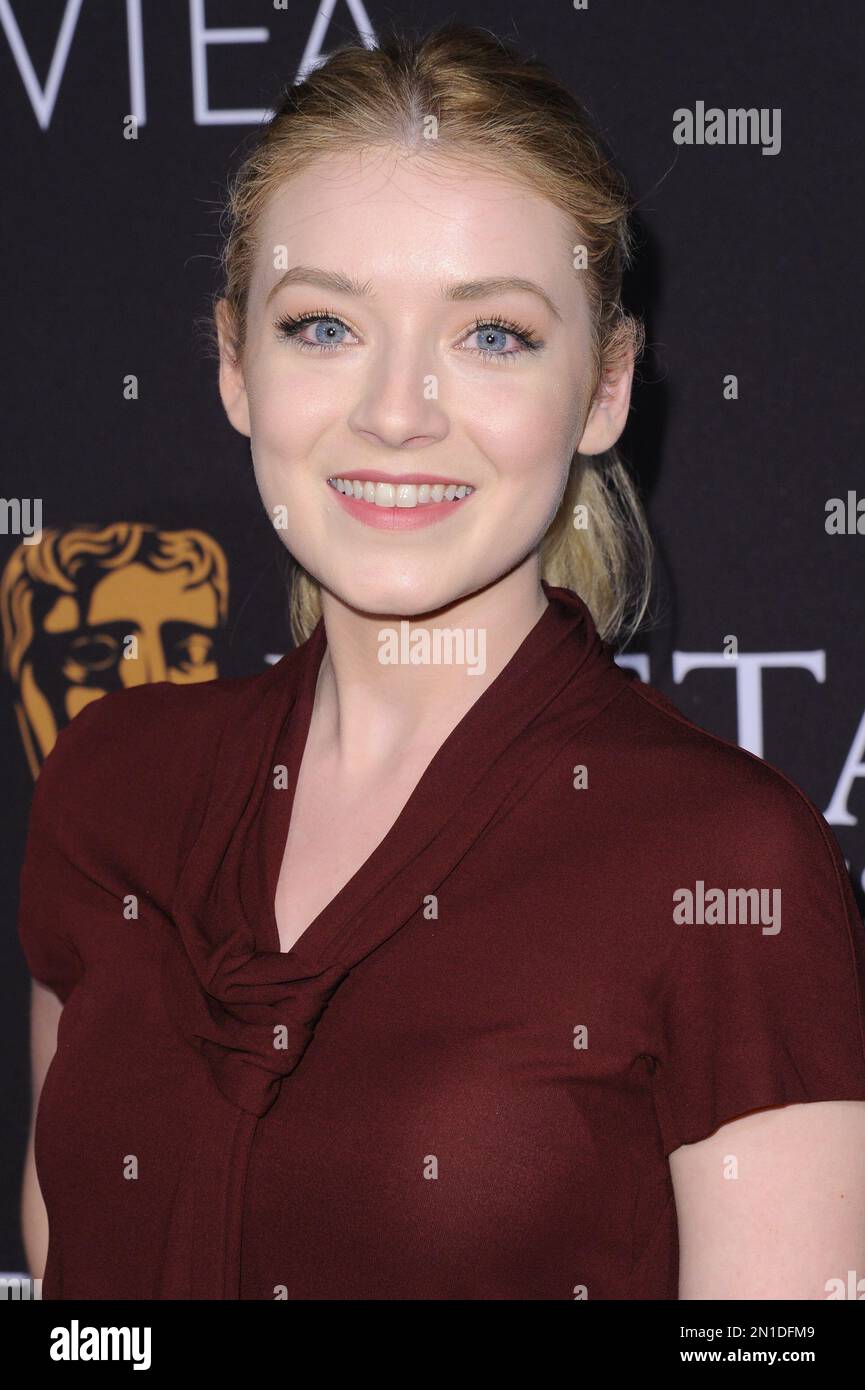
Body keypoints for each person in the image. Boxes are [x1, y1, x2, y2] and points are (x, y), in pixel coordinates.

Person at [19, 22, 865, 1301]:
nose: (398, 409)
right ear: (233, 363)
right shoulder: (111, 784)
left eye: (494, 336)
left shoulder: (725, 865)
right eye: (322, 326)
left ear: (605, 389)